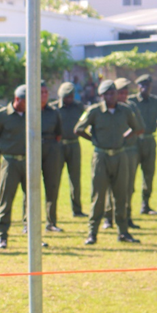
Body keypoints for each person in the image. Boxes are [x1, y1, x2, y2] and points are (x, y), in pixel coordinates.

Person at [74, 80, 143, 245]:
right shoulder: (94, 111)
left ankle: (123, 232)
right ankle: (92, 233)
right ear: (101, 96)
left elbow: (137, 128)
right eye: (107, 94)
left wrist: (124, 138)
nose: (110, 97)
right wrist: (94, 140)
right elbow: (79, 129)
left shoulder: (125, 110)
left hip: (120, 156)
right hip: (101, 157)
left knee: (121, 195)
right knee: (98, 196)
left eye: (113, 93)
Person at [0, 86, 29, 249]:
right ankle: (2, 235)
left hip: (28, 162)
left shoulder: (33, 114)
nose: (29, 104)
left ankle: (32, 232)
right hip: (10, 162)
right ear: (17, 99)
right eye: (26, 101)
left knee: (32, 199)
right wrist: (4, 152)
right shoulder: (2, 115)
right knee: (6, 199)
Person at [102, 78, 145, 230]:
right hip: (111, 151)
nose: (123, 96)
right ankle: (108, 217)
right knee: (109, 185)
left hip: (129, 151)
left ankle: (127, 216)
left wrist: (125, 137)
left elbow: (140, 127)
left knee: (128, 186)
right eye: (120, 93)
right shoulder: (106, 108)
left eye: (126, 93)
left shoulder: (131, 107)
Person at [129, 75, 157, 216]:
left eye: (148, 86)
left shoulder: (155, 102)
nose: (145, 89)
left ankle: (145, 204)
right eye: (142, 86)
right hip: (134, 141)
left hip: (150, 141)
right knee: (130, 174)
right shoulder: (131, 101)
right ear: (138, 87)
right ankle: (127, 205)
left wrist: (152, 126)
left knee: (149, 174)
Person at [52, 82, 87, 217]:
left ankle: (77, 209)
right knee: (55, 179)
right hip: (58, 146)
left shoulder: (79, 107)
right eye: (66, 97)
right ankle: (52, 212)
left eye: (71, 96)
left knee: (75, 179)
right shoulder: (54, 108)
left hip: (74, 144)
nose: (69, 99)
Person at [40, 83, 64, 232]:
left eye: (45, 92)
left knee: (52, 186)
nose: (43, 95)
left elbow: (58, 134)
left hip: (51, 150)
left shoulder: (54, 112)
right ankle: (28, 223)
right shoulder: (28, 111)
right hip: (33, 149)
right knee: (30, 187)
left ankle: (51, 221)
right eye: (40, 92)